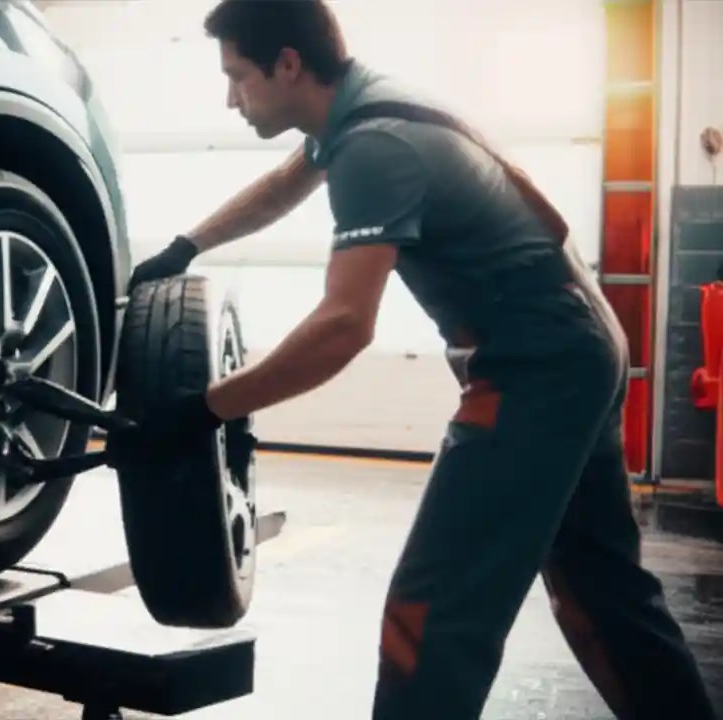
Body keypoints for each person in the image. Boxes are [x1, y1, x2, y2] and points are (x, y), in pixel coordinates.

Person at [107, 1, 718, 718]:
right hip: (581, 346)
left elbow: (343, 327)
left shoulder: (376, 147)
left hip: (537, 368)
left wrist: (205, 409)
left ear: (289, 64)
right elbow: (284, 186)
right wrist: (188, 245)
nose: (230, 98)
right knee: (603, 594)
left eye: (238, 78)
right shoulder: (366, 107)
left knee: (431, 612)